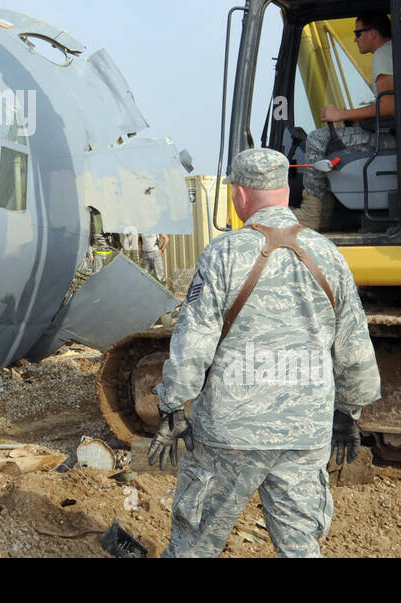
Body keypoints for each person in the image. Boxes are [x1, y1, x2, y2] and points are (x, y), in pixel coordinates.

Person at [150, 147, 381, 558]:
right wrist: (349, 414)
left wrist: (171, 407)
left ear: (240, 194)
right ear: (285, 189)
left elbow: (192, 344)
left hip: (230, 433)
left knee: (195, 546)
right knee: (301, 549)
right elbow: (354, 347)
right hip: (304, 432)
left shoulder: (222, 254)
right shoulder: (330, 255)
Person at [295, 12, 396, 231]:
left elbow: (389, 107)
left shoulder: (383, 54)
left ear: (373, 33)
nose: (355, 39)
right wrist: (359, 119)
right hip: (386, 132)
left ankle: (312, 215)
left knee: (316, 139)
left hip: (386, 138)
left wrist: (342, 115)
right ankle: (326, 213)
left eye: (358, 33)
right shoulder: (392, 52)